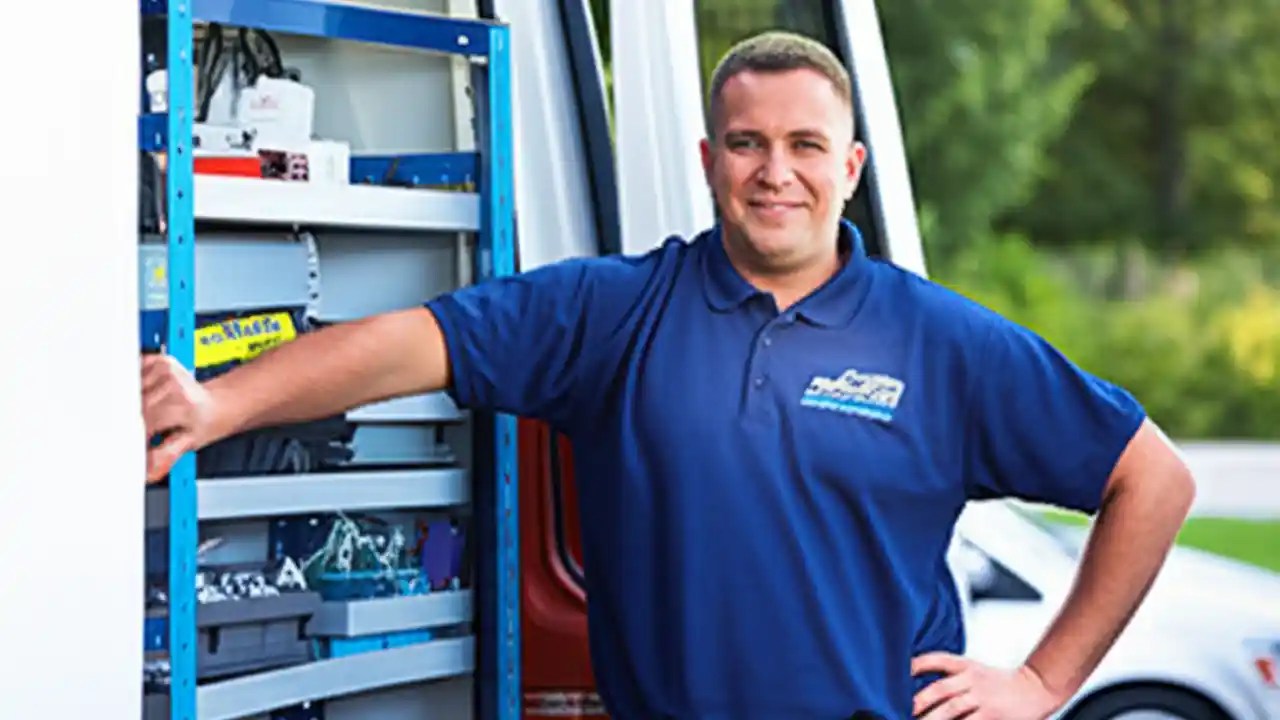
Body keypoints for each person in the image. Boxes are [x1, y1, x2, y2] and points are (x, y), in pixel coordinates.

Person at [141, 30, 1195, 720]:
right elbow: (403, 343)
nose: (773, 171)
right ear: (707, 161)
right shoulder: (614, 314)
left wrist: (1041, 681)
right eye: (744, 143)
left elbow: (1150, 480)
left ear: (849, 167)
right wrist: (219, 400)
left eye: (802, 145)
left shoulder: (942, 344)